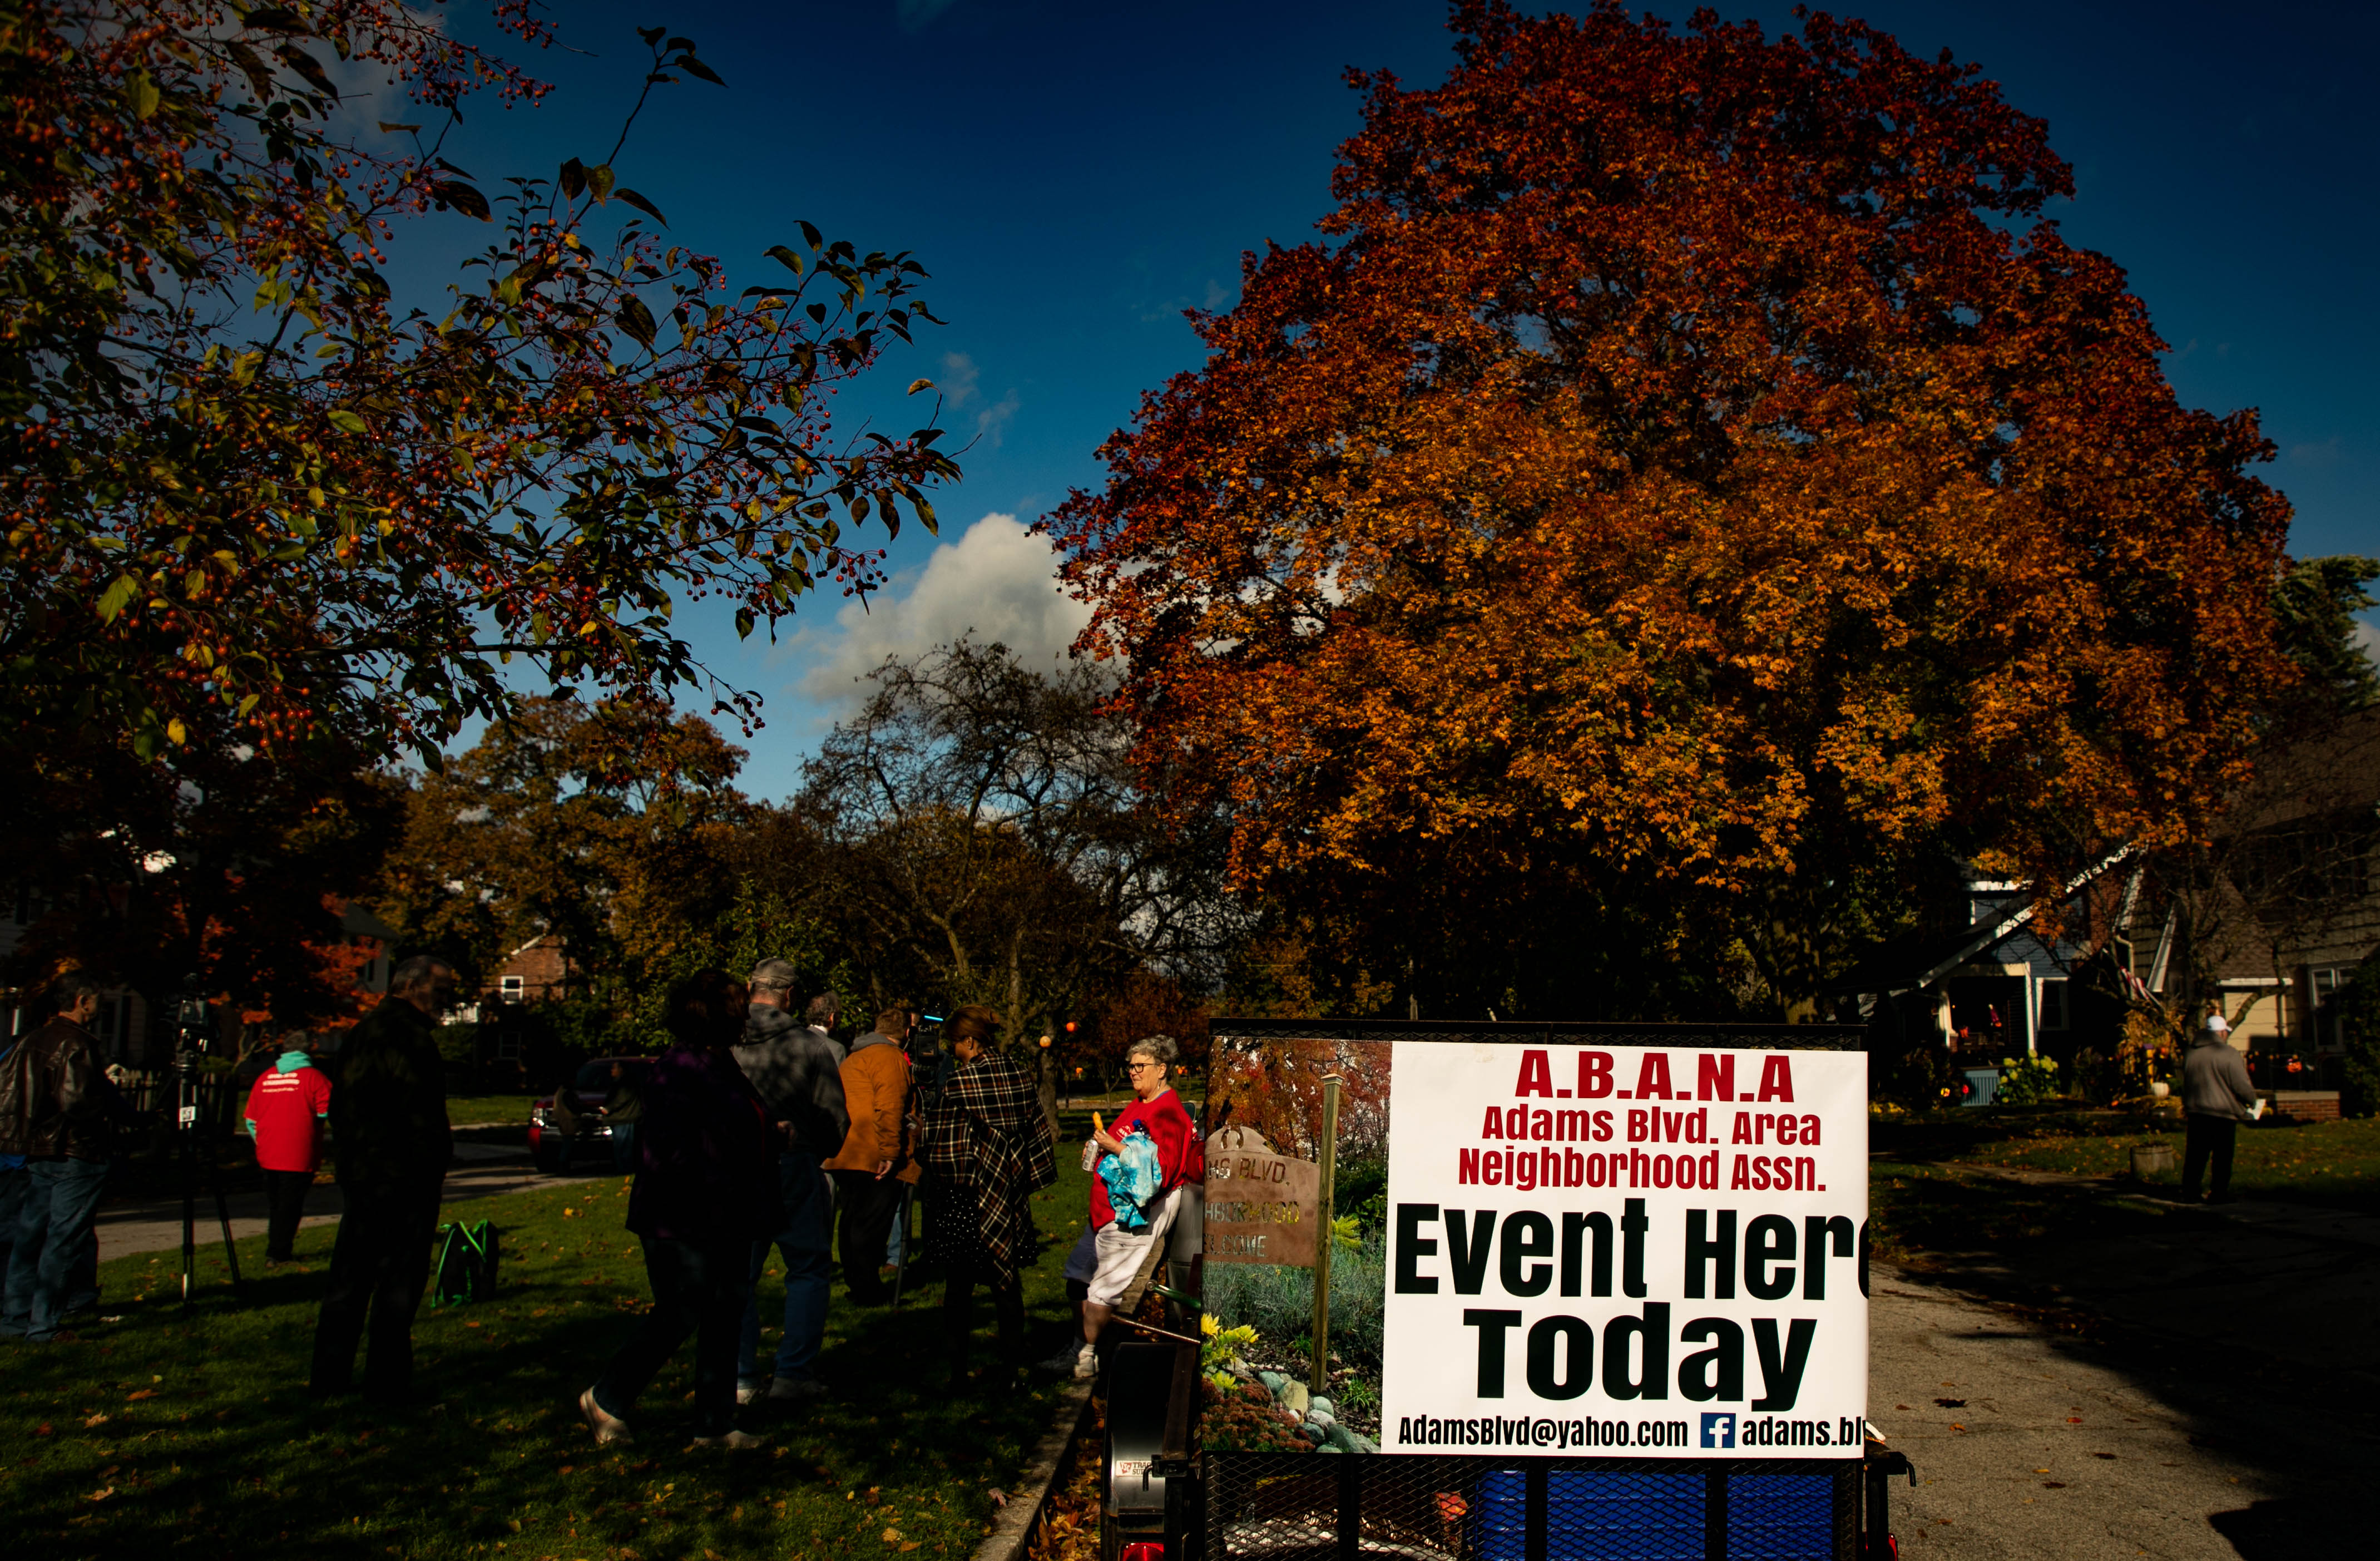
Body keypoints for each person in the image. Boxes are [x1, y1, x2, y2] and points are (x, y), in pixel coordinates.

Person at [579, 969, 780, 1449]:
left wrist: (771, 1135)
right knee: (682, 1310)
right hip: (687, 1214)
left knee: (724, 1313)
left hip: (725, 1210)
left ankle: (715, 1424)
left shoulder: (718, 1063)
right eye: (738, 1009)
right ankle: (607, 1397)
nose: (746, 1018)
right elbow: (677, 1148)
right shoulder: (682, 1068)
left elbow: (737, 1123)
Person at [309, 956, 456, 1400]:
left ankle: (329, 1376)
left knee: (350, 1277)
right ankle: (386, 1380)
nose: (446, 1000)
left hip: (364, 1173)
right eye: (440, 990)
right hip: (402, 1177)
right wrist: (429, 1164)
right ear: (411, 987)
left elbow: (341, 1108)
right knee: (397, 1282)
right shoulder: (409, 1039)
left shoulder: (363, 1033)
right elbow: (419, 1113)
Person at [1038, 1034, 1200, 1380]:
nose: (1133, 1071)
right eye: (1130, 1066)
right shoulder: (1139, 1103)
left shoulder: (1169, 1114)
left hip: (1131, 1217)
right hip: (1103, 1213)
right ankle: (1078, 1347)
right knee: (1077, 1277)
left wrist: (1115, 1148)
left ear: (1162, 1069)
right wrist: (1100, 1149)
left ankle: (1084, 1356)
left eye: (1141, 1066)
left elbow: (1160, 1173)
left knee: (1104, 1288)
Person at [730, 959, 850, 1405]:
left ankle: (740, 1376)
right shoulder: (808, 1046)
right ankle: (793, 1373)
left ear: (750, 987)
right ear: (791, 995)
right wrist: (815, 1150)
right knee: (808, 1269)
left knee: (738, 1274)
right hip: (793, 1163)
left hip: (737, 1167)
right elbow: (833, 1117)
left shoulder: (726, 1041)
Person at [2, 973, 144, 1342]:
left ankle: (15, 1317)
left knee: (29, 1237)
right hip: (75, 1152)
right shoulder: (76, 1043)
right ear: (83, 1001)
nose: (99, 1006)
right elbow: (78, 1102)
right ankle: (43, 1324)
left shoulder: (33, 1040)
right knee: (62, 1241)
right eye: (97, 999)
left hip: (39, 1151)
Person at [919, 1006, 1055, 1387]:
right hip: (1007, 1194)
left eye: (954, 1043)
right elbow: (1037, 1132)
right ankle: (1011, 1371)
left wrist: (920, 1139)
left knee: (958, 1289)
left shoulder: (959, 1083)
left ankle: (957, 1374)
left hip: (965, 1197)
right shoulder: (1019, 1075)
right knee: (1006, 1285)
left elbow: (941, 1146)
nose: (952, 1050)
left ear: (969, 1041)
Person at [825, 1004, 920, 1305]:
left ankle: (858, 1285)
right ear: (906, 1032)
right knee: (871, 1226)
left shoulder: (856, 1057)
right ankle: (867, 1290)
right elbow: (889, 1108)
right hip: (872, 1154)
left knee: (852, 1222)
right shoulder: (890, 1058)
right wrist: (890, 1152)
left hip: (847, 1151)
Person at [242, 1029, 332, 1266]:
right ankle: (278, 1254)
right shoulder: (314, 1078)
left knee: (276, 1205)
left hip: (268, 1153)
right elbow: (329, 1112)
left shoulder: (265, 1078)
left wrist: (264, 1142)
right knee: (290, 1206)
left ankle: (276, 1250)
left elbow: (251, 1120)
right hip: (299, 1152)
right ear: (308, 1050)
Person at [2182, 1006, 2259, 1203]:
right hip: (2222, 1112)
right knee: (2222, 1157)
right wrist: (2252, 1100)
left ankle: (2190, 1192)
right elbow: (2240, 1084)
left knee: (2196, 1156)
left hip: (2196, 1111)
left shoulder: (2191, 1052)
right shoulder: (2228, 1053)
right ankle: (2218, 1193)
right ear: (2223, 1033)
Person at [601, 1061, 644, 1175]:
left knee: (623, 1146)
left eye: (614, 1068)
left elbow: (622, 1099)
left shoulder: (626, 1084)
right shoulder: (620, 1083)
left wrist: (609, 1109)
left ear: (621, 1070)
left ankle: (625, 1168)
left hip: (624, 1118)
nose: (612, 1071)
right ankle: (623, 1167)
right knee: (621, 1145)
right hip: (621, 1118)